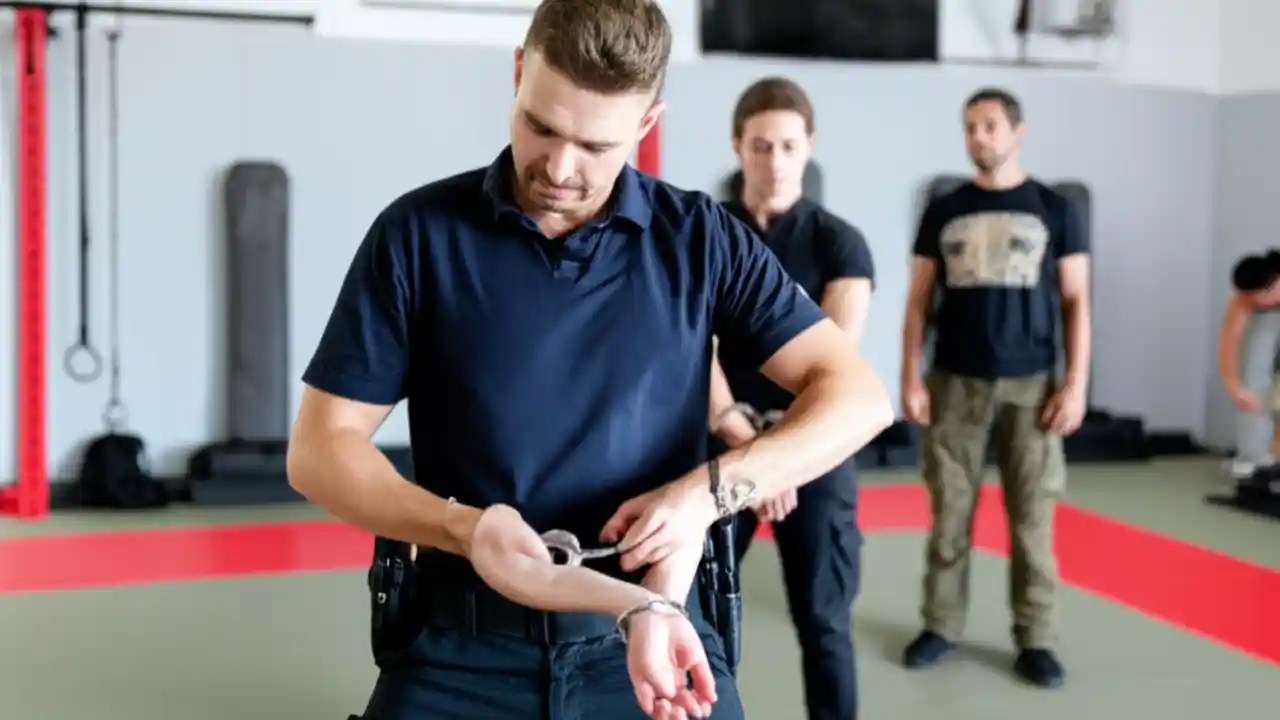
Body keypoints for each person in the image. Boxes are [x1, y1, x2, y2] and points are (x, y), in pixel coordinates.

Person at [285, 2, 895, 719]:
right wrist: (462, 528)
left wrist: (706, 494)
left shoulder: (700, 238)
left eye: (597, 146)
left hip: (654, 632)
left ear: (645, 123)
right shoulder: (418, 236)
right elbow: (319, 450)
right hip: (463, 645)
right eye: (541, 126)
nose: (559, 169)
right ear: (519, 72)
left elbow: (858, 398)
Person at [898, 87, 1091, 689]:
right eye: (969, 127)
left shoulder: (1056, 208)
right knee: (949, 517)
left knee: (1032, 520)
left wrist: (1076, 385)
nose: (978, 137)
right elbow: (918, 300)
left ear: (1017, 131)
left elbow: (1077, 301)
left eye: (988, 126)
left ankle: (1036, 639)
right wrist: (909, 374)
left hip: (1032, 389)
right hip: (953, 384)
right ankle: (941, 626)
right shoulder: (944, 208)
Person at [708, 77, 874, 720]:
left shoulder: (840, 244)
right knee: (700, 615)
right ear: (737, 146)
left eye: (787, 145)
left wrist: (782, 457)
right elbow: (695, 349)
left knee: (824, 620)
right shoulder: (709, 232)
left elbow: (835, 367)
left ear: (809, 147)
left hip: (815, 448)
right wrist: (740, 437)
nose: (774, 161)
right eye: (760, 146)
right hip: (723, 439)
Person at [1217, 250, 1280, 478]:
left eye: (1261, 296)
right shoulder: (1243, 299)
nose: (1257, 301)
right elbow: (1229, 342)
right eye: (1251, 298)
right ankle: (1254, 457)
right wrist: (1235, 388)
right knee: (1253, 378)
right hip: (1270, 324)